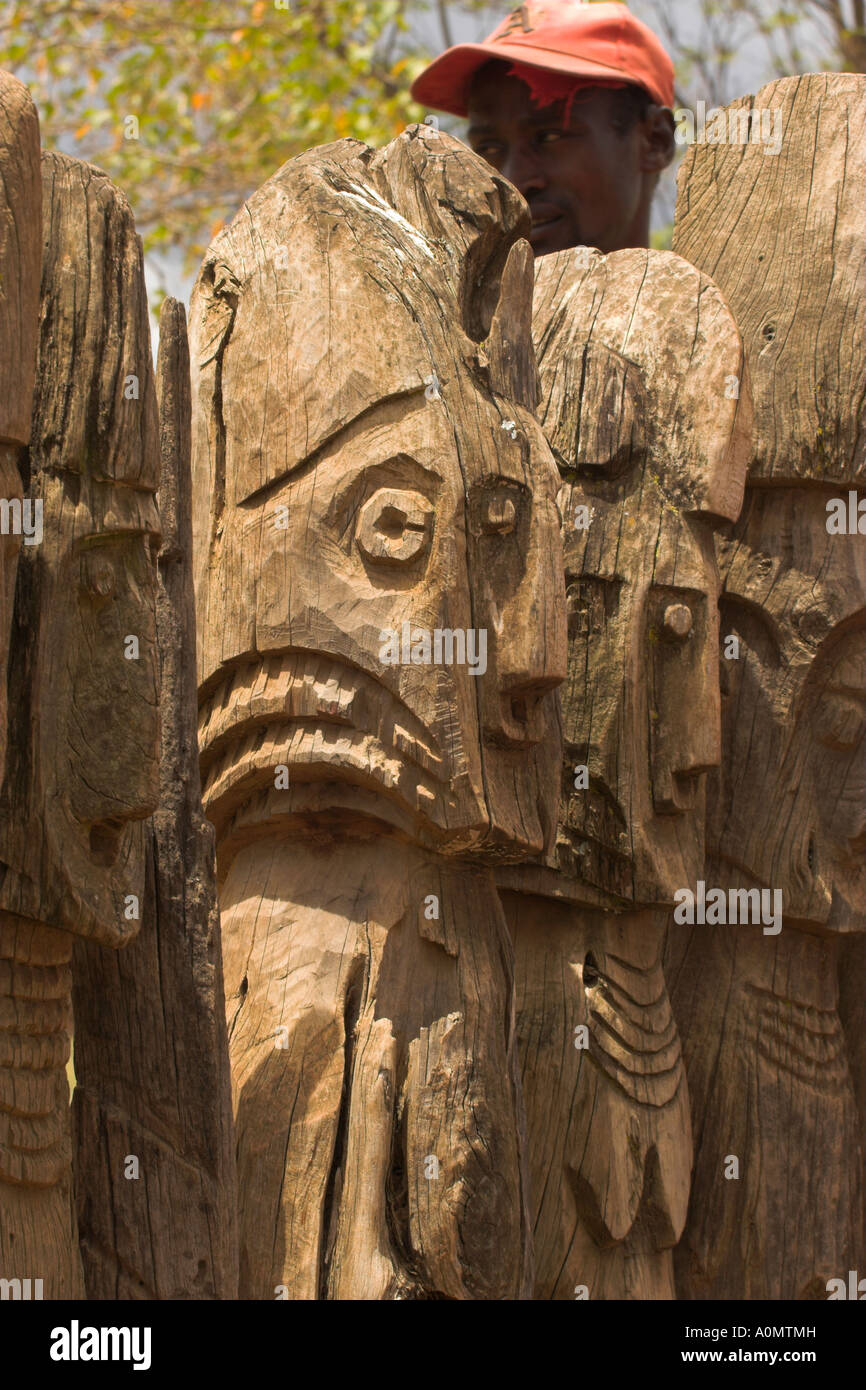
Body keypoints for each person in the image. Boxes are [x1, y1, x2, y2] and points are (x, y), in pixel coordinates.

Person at [410, 1, 676, 256]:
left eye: (549, 137)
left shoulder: (701, 301)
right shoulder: (433, 300)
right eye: (489, 147)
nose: (512, 182)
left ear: (655, 140)